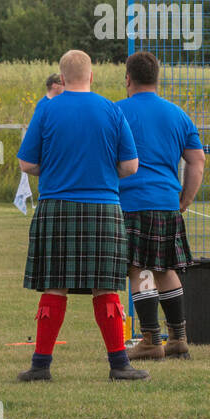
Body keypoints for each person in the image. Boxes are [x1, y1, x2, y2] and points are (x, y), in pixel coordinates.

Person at [15, 49, 147, 382]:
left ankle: (40, 366)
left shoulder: (46, 110)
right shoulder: (111, 109)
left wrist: (57, 170)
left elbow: (27, 163)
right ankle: (119, 364)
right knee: (105, 287)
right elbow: (131, 166)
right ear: (92, 76)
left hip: (56, 206)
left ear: (61, 78)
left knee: (54, 285)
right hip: (103, 207)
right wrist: (100, 173)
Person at [116, 51, 206, 361]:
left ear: (128, 79)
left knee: (139, 269)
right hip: (167, 203)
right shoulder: (178, 115)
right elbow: (197, 160)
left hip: (131, 203)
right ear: (156, 79)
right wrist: (185, 198)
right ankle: (178, 338)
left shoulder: (116, 113)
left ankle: (151, 340)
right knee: (166, 269)